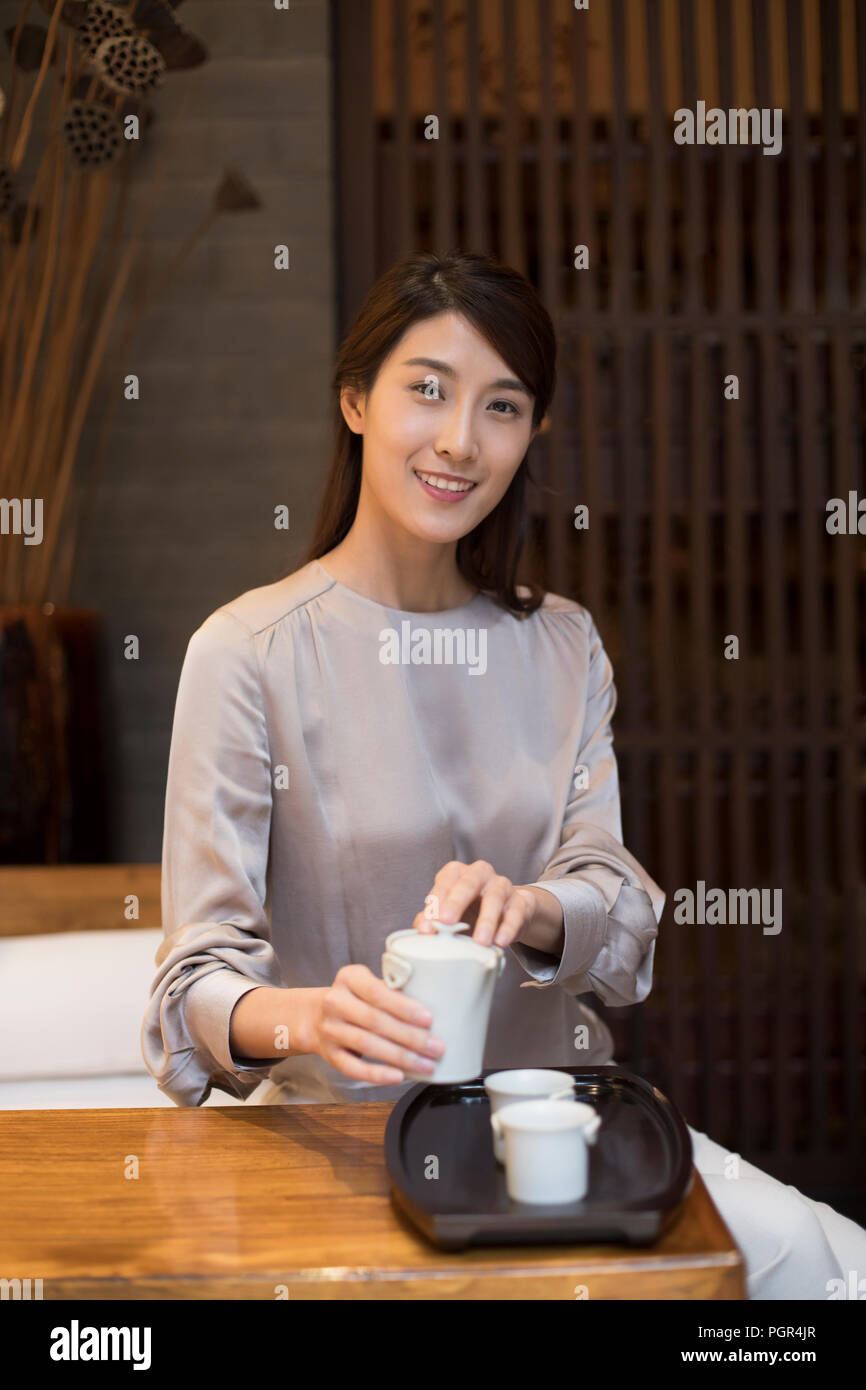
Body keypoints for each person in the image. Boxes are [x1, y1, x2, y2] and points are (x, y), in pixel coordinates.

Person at [142, 250, 866, 1300]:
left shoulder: (561, 645)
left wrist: (530, 906)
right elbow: (189, 987)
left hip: (554, 1130)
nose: (457, 440)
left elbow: (619, 927)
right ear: (354, 399)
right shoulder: (247, 651)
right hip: (345, 1144)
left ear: (530, 434)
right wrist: (309, 1015)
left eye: (502, 406)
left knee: (816, 1257)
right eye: (425, 389)